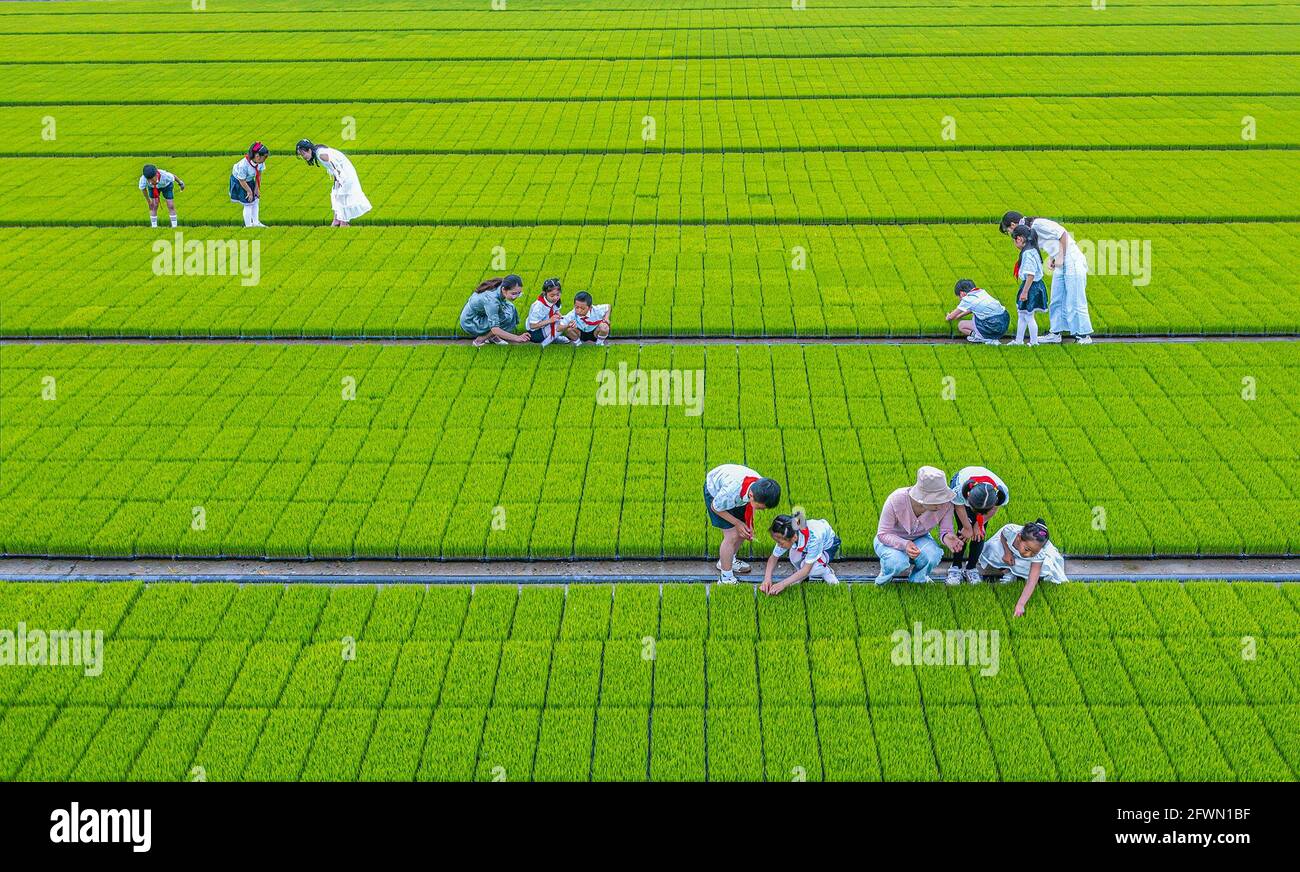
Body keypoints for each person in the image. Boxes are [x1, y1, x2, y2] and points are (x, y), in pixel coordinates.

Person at [999, 211, 1093, 344]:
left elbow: (1062, 234)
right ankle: (1055, 333)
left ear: (1013, 225)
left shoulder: (1038, 224)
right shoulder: (1030, 231)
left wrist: (1060, 256)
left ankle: (1084, 336)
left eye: (1008, 230)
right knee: (1056, 299)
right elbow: (1053, 243)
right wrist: (1054, 257)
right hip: (1061, 263)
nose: (1011, 234)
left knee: (1075, 299)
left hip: (1072, 260)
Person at [873, 466, 963, 584]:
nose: (941, 504)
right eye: (936, 500)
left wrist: (948, 537)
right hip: (890, 540)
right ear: (922, 498)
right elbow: (883, 534)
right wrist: (905, 544)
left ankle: (919, 579)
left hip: (920, 538)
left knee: (933, 555)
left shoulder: (946, 504)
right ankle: (884, 577)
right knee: (896, 562)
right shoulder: (896, 499)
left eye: (942, 498)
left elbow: (945, 530)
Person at [703, 464, 781, 584]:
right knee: (732, 536)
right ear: (751, 496)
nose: (762, 510)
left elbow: (751, 507)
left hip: (738, 496)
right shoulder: (729, 493)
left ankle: (729, 560)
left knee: (743, 532)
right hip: (716, 494)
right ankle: (726, 578)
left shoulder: (760, 486)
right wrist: (737, 523)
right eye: (761, 508)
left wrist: (747, 524)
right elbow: (715, 507)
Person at [977, 519, 1068, 616]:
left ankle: (1015, 573)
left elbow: (1032, 580)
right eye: (1027, 549)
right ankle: (1007, 571)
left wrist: (1020, 604)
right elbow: (1003, 535)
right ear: (1019, 537)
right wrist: (1007, 552)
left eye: (1034, 552)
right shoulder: (1011, 530)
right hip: (1009, 550)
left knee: (1043, 568)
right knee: (993, 549)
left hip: (1033, 561)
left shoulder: (1040, 552)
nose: (1029, 554)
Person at [945, 466, 1010, 585]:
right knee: (962, 531)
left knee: (980, 533)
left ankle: (971, 568)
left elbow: (994, 509)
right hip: (965, 488)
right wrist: (967, 527)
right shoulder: (959, 490)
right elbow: (959, 507)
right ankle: (956, 566)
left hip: (985, 497)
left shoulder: (1001, 493)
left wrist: (979, 525)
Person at [295, 139, 372, 226]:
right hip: (342, 173)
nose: (303, 157)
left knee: (342, 196)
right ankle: (336, 220)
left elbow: (336, 166)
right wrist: (336, 182)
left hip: (346, 174)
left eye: (303, 154)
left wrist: (341, 181)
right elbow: (333, 168)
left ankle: (343, 222)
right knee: (335, 194)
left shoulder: (321, 154)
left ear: (309, 150)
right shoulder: (318, 152)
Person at [760, 512, 841, 596]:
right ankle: (800, 576)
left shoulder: (814, 539)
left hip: (828, 547)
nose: (779, 545)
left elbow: (806, 569)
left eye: (780, 542)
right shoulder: (789, 532)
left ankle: (826, 571)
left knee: (812, 569)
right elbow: (773, 558)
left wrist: (782, 584)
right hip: (807, 545)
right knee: (794, 557)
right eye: (777, 542)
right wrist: (767, 579)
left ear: (794, 537)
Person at [459, 275, 531, 346]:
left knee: (511, 308)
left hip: (481, 313)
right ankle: (480, 340)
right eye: (513, 293)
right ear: (504, 290)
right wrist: (517, 338)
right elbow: (495, 329)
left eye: (519, 293)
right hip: (471, 321)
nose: (516, 297)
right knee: (506, 317)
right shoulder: (492, 301)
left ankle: (491, 337)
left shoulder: (503, 284)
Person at [1009, 224, 1048, 346]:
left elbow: (1030, 275)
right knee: (1022, 314)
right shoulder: (1033, 248)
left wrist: (1025, 292)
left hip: (1031, 287)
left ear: (1019, 239)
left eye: (1014, 241)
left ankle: (1034, 342)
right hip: (1033, 285)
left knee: (1029, 316)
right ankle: (1019, 341)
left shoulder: (1027, 253)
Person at [945, 279, 1008, 345]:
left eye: (959, 297)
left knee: (961, 325)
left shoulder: (967, 299)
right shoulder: (981, 292)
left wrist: (948, 317)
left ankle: (981, 338)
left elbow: (950, 317)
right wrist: (959, 316)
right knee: (979, 314)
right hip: (1004, 322)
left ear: (962, 293)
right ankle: (987, 336)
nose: (960, 299)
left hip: (993, 326)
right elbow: (972, 309)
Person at [230, 141, 269, 228]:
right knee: (248, 203)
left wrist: (256, 188)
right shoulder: (244, 165)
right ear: (257, 156)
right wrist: (249, 191)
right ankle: (248, 226)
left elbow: (259, 174)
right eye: (265, 157)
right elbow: (241, 179)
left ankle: (256, 222)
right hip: (240, 181)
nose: (265, 159)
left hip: (249, 179)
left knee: (256, 200)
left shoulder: (260, 162)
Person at [138, 164, 185, 228]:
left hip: (166, 186)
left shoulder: (165, 175)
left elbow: (174, 177)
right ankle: (154, 227)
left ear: (156, 175)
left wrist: (181, 183)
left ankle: (174, 226)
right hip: (153, 188)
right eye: (148, 179)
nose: (150, 181)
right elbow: (143, 189)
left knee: (170, 205)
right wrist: (149, 202)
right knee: (154, 205)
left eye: (151, 179)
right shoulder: (143, 179)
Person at [526, 278, 569, 346]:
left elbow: (556, 310)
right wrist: (550, 320)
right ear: (544, 293)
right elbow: (532, 326)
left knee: (567, 319)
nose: (555, 298)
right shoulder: (539, 306)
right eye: (552, 295)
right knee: (561, 323)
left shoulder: (555, 301)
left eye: (558, 294)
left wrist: (561, 316)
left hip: (545, 327)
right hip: (535, 333)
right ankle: (544, 344)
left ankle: (554, 337)